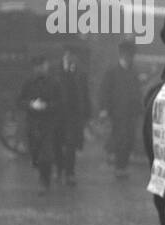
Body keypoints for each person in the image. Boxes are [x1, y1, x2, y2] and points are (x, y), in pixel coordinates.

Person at [18, 55, 63, 194]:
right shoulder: (28, 83)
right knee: (35, 152)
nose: (40, 69)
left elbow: (61, 102)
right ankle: (42, 174)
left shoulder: (54, 83)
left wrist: (47, 106)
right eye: (37, 66)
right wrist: (31, 104)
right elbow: (19, 100)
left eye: (42, 65)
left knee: (46, 153)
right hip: (32, 122)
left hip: (48, 122)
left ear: (46, 66)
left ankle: (45, 181)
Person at [99, 41, 142, 177]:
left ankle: (123, 165)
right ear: (122, 55)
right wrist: (104, 109)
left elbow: (137, 92)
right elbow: (104, 91)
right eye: (127, 55)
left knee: (129, 139)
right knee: (120, 139)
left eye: (131, 55)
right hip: (117, 112)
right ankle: (119, 166)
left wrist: (139, 108)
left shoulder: (134, 72)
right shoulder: (112, 72)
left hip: (131, 113)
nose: (129, 58)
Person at [54, 46, 91, 186]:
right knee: (57, 144)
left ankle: (69, 172)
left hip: (73, 115)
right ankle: (59, 169)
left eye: (72, 57)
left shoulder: (80, 74)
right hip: (57, 114)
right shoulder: (56, 72)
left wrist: (87, 113)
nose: (70, 60)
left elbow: (84, 94)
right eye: (67, 57)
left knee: (70, 144)